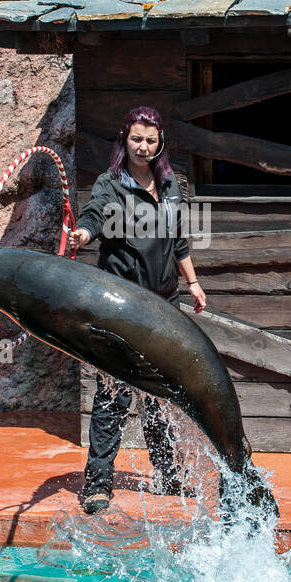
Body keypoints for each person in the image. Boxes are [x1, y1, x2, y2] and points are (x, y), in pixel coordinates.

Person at [67, 106, 207, 514]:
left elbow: (178, 240)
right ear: (123, 138)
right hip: (122, 308)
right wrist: (83, 233)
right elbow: (94, 215)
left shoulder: (170, 184)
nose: (144, 146)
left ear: (160, 141)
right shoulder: (109, 184)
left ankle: (166, 474)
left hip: (164, 305)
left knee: (160, 395)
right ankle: (97, 484)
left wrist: (193, 283)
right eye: (136, 139)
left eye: (151, 140)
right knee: (113, 395)